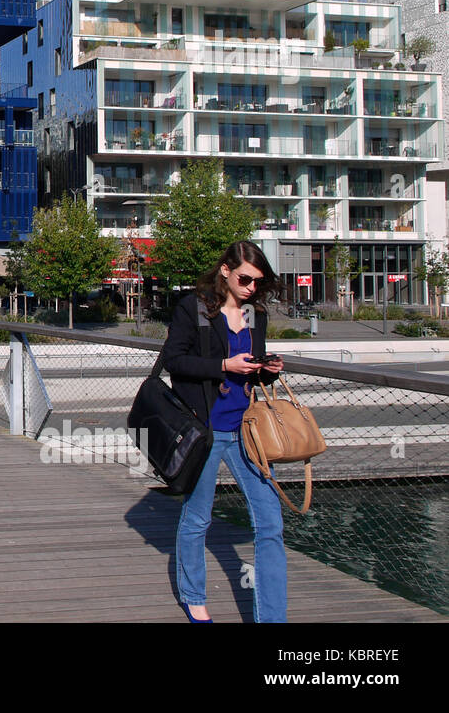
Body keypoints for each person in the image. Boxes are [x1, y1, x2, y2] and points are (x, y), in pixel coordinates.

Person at [161, 240, 286, 623]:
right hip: (207, 429)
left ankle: (273, 618)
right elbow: (175, 361)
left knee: (271, 525)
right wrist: (225, 365)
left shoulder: (254, 313)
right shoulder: (196, 309)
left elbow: (252, 362)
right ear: (226, 271)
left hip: (248, 431)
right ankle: (195, 600)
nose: (251, 288)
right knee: (198, 519)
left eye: (259, 283)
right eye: (246, 279)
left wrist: (267, 368)